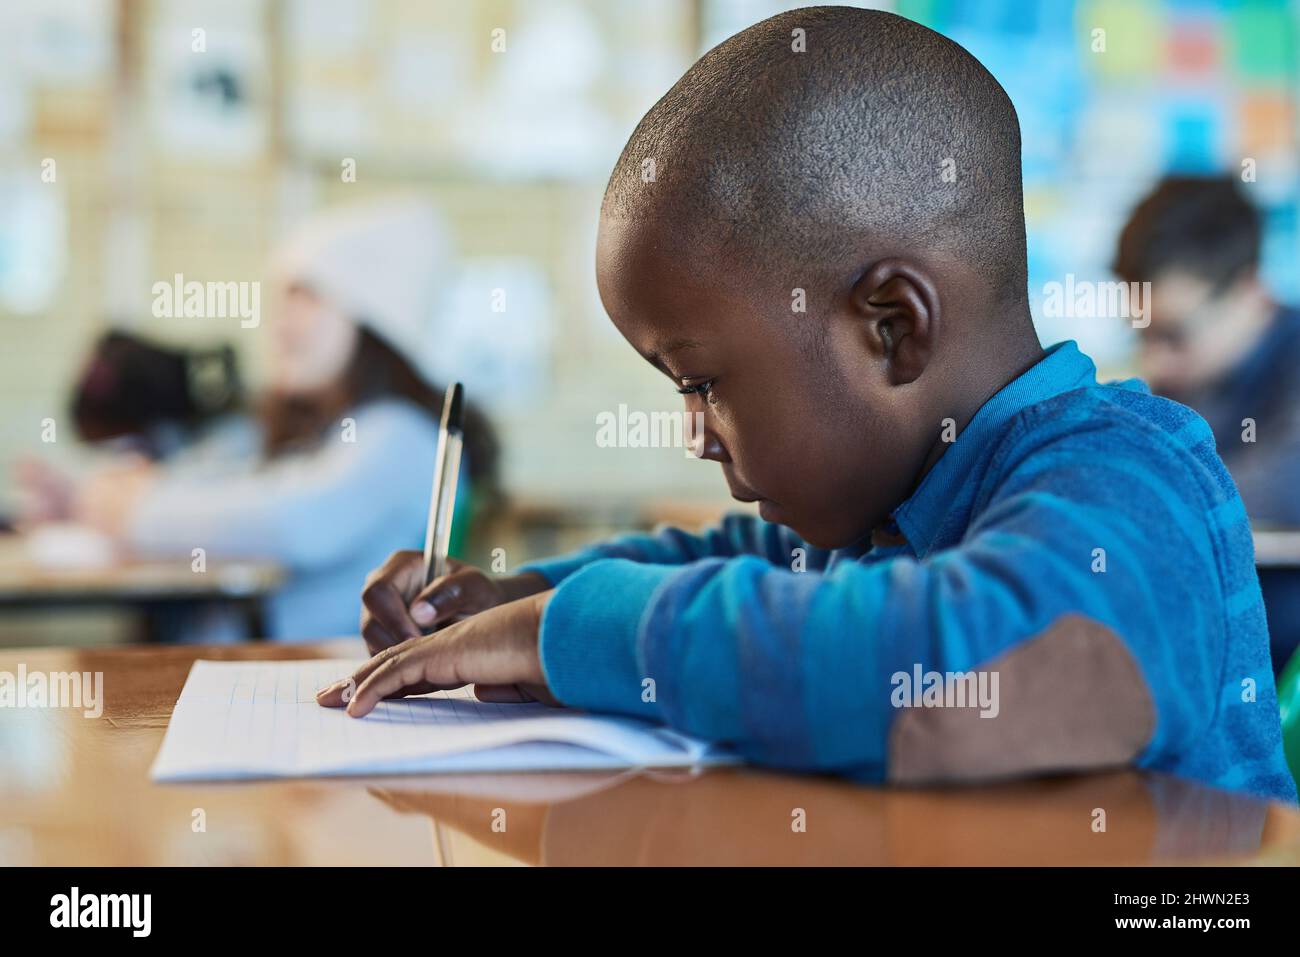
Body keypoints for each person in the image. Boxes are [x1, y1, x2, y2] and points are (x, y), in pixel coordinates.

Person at [320, 8, 1294, 801]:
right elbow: (730, 562)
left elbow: (962, 663)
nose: (695, 435)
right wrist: (509, 603)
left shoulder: (1128, 475)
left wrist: (566, 633)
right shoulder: (881, 503)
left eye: (701, 383)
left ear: (891, 328)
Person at [20, 200, 498, 640]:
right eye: (281, 301)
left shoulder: (400, 435)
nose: (282, 323)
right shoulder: (326, 430)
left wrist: (130, 508)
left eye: (307, 297)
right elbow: (219, 480)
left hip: (319, 682)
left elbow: (293, 522)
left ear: (375, 320)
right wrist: (87, 496)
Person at [1115, 175, 1300, 672]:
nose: (1154, 364)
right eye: (1141, 336)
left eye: (1173, 334)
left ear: (1249, 290)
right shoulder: (1178, 381)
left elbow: (1282, 482)